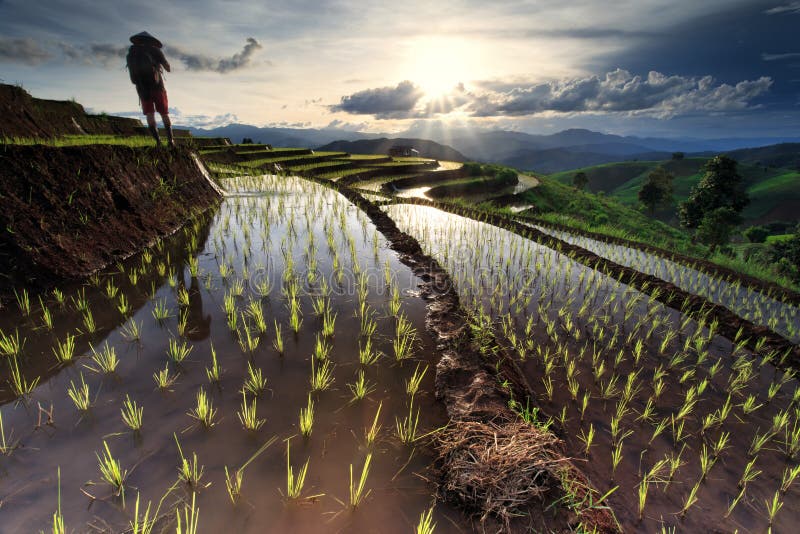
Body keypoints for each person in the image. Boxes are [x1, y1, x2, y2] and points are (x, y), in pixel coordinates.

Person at [126, 31, 175, 147]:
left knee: (149, 114)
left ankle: (158, 142)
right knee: (164, 113)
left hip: (142, 89)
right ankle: (171, 141)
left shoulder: (132, 53)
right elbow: (168, 68)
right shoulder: (155, 51)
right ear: (151, 41)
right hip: (158, 87)